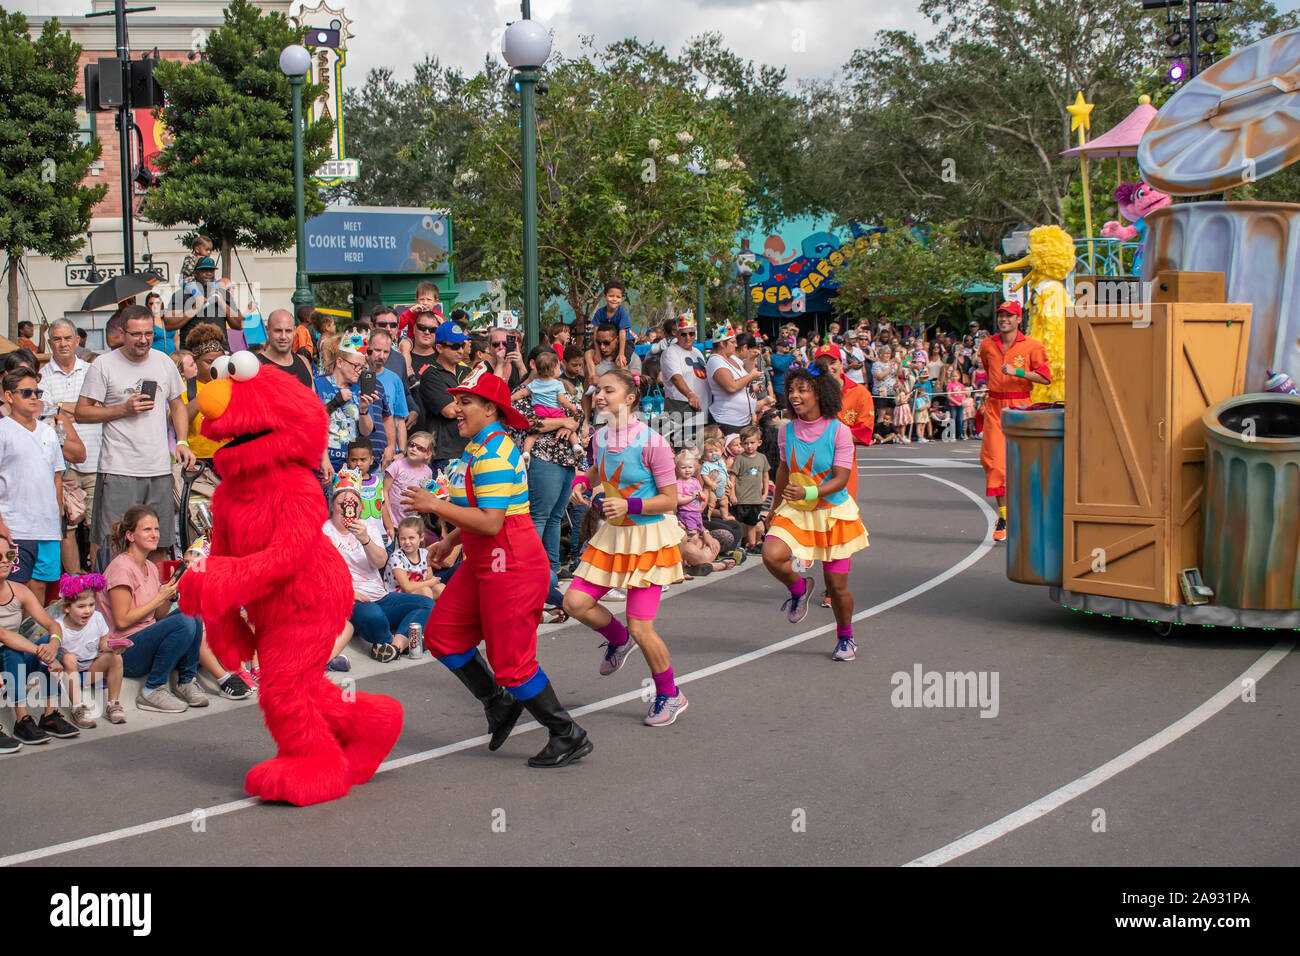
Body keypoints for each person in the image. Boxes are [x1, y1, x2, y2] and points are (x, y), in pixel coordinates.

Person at [401, 368, 593, 766]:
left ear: (490, 409)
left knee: (512, 664)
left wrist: (435, 506)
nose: (456, 409)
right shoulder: (480, 446)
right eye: (457, 400)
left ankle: (566, 734)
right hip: (487, 560)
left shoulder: (491, 452)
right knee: (442, 635)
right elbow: (490, 512)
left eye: (465, 402)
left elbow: (491, 521)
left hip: (512, 565)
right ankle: (499, 703)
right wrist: (453, 540)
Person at [563, 368, 688, 726]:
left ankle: (670, 694)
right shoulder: (599, 438)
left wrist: (630, 506)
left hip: (649, 540)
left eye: (609, 390)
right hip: (614, 537)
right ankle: (618, 641)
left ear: (630, 398)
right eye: (597, 390)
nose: (600, 396)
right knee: (575, 602)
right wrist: (581, 481)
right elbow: (599, 473)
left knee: (641, 626)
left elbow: (670, 500)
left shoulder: (653, 443)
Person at [761, 368, 869, 661]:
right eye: (791, 390)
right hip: (795, 510)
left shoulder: (839, 431)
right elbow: (784, 470)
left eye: (802, 390)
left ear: (819, 393)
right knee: (771, 554)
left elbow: (841, 478)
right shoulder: (786, 430)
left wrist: (809, 493)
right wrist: (772, 509)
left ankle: (846, 637)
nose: (794, 396)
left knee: (836, 586)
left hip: (833, 513)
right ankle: (799, 589)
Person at [76, 306, 194, 558]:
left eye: (149, 333)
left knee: (159, 543)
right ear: (122, 332)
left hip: (159, 468)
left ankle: (158, 596)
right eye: (136, 334)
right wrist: (122, 409)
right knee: (112, 543)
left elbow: (178, 404)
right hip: (119, 468)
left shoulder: (163, 361)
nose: (143, 340)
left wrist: (182, 441)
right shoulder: (103, 365)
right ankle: (110, 596)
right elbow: (82, 412)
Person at [99, 506, 206, 713]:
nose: (154, 534)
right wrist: (160, 597)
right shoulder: (121, 568)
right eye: (147, 529)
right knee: (183, 621)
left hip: (145, 639)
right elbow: (122, 620)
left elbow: (158, 615)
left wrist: (171, 594)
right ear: (130, 535)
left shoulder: (149, 566)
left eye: (156, 529)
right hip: (124, 650)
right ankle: (152, 689)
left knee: (192, 611)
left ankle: (186, 681)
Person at [322, 471, 428, 662]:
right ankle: (385, 641)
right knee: (373, 616)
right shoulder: (324, 531)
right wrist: (346, 592)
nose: (348, 509)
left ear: (360, 506)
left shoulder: (368, 527)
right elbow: (317, 574)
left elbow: (380, 562)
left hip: (380, 595)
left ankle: (395, 646)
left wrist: (365, 540)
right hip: (349, 599)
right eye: (342, 504)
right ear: (332, 505)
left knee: (426, 603)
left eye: (353, 504)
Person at [0, 368, 76, 606]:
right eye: (26, 392)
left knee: (40, 587)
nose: (34, 397)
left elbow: (56, 478)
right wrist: (1, 526)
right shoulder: (2, 430)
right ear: (9, 396)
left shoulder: (49, 432)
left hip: (47, 528)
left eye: (37, 392)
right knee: (13, 588)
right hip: (16, 527)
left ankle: (34, 639)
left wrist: (57, 513)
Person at [0, 531, 83, 747]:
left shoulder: (19, 591)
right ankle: (21, 719)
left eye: (8, 556)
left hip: (16, 656)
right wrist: (43, 653)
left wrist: (53, 644)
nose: (4, 561)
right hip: (7, 654)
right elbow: (4, 635)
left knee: (45, 641)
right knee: (12, 650)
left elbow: (52, 624)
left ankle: (49, 714)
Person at [979, 301, 1050, 541]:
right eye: (1001, 315)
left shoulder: (1033, 346)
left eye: (1010, 316)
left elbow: (1044, 377)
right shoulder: (988, 344)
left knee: (1024, 465)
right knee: (995, 462)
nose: (1004, 319)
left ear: (1019, 319)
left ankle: (1030, 514)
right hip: (994, 407)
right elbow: (988, 370)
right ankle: (1004, 517)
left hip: (1021, 406)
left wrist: (1018, 372)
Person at [40, 318, 100, 572]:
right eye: (57, 339)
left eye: (67, 338)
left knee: (96, 525)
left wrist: (61, 407)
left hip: (97, 457)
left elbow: (99, 407)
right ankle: (75, 581)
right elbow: (44, 412)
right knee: (67, 526)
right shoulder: (41, 377)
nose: (63, 344)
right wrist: (80, 408)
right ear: (49, 342)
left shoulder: (92, 371)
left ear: (77, 341)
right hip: (61, 461)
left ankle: (99, 581)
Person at [53, 573, 126, 728]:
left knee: (115, 658)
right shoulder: (58, 626)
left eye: (91, 605)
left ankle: (113, 704)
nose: (88, 611)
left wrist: (114, 647)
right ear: (67, 607)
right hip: (67, 675)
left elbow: (103, 645)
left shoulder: (97, 618)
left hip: (89, 671)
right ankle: (77, 708)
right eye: (81, 606)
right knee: (69, 658)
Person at [314, 339, 376, 485]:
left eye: (362, 367)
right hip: (324, 461)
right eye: (356, 366)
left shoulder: (358, 390)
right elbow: (312, 421)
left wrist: (364, 409)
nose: (359, 371)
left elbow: (366, 432)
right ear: (340, 362)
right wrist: (336, 402)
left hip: (351, 464)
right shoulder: (318, 384)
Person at [417, 319, 472, 473]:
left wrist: (457, 400)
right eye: (455, 346)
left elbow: (482, 405)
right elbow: (450, 411)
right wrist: (470, 401)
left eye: (462, 345)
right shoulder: (431, 374)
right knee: (447, 497)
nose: (461, 350)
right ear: (439, 347)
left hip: (472, 450)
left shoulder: (467, 372)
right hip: (446, 454)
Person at [514, 349, 580, 464]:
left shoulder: (534, 384)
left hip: (540, 412)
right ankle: (576, 446)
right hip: (556, 413)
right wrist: (570, 410)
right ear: (554, 368)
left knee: (532, 436)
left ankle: (526, 453)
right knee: (571, 432)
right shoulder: (558, 384)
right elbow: (563, 401)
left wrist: (509, 398)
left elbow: (522, 393)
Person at [165, 256, 243, 349]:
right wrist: (194, 309)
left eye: (211, 270)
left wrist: (222, 303)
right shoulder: (182, 294)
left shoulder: (223, 294)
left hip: (220, 352)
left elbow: (239, 324)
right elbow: (169, 325)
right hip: (193, 353)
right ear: (195, 273)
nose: (208, 273)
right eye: (204, 270)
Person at [182, 324, 231, 469]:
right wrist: (205, 394)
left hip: (229, 454)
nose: (214, 366)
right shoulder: (186, 387)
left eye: (218, 361)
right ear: (196, 360)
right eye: (208, 362)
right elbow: (176, 420)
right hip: (198, 458)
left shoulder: (231, 383)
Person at [658, 314, 710, 447]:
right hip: (682, 411)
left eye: (691, 333)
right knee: (685, 454)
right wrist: (690, 394)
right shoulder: (670, 352)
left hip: (701, 413)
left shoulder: (697, 352)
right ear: (676, 333)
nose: (688, 337)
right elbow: (676, 377)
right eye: (684, 334)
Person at [707, 323, 764, 435]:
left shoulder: (730, 358)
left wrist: (751, 358)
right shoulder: (715, 361)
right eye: (733, 342)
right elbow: (731, 386)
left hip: (742, 422)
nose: (736, 345)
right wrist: (751, 376)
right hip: (728, 422)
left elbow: (744, 374)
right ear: (723, 343)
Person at [366, 326, 410, 468]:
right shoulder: (355, 376)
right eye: (378, 350)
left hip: (387, 454)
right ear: (368, 348)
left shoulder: (394, 379)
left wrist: (401, 452)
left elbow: (399, 419)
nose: (382, 356)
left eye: (386, 352)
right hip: (360, 452)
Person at [730, 424, 770, 553]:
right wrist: (732, 494)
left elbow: (765, 475)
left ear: (759, 443)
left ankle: (752, 545)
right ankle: (737, 546)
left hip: (756, 498)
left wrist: (765, 493)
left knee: (752, 523)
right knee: (739, 523)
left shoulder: (762, 458)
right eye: (746, 443)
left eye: (752, 443)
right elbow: (733, 477)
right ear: (742, 444)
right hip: (741, 498)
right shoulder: (740, 459)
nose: (749, 446)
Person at [344, 440, 392, 548]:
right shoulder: (345, 483)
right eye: (353, 460)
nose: (358, 464)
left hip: (377, 532)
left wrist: (389, 526)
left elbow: (382, 505)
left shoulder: (377, 481)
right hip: (355, 533)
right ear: (348, 460)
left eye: (363, 460)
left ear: (371, 460)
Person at [384, 430, 434, 532]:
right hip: (392, 521)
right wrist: (388, 518)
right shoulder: (397, 465)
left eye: (420, 448)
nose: (414, 449)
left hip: (412, 523)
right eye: (412, 445)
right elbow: (384, 490)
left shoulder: (428, 472)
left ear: (428, 454)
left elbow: (425, 496)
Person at [384, 515, 444, 600]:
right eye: (403, 539)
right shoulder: (396, 557)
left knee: (440, 588)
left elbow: (428, 578)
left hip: (418, 590)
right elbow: (406, 587)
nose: (407, 542)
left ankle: (439, 612)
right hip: (396, 595)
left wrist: (431, 582)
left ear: (421, 537)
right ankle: (427, 611)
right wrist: (430, 582)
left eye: (411, 538)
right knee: (425, 591)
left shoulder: (425, 554)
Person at [257, 308, 315, 388]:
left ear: (294, 331)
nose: (283, 336)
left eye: (288, 331)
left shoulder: (304, 361)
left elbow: (313, 398)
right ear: (267, 330)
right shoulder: (256, 365)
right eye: (278, 331)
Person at [590, 281, 632, 367]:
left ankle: (622, 377)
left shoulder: (622, 313)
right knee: (588, 353)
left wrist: (621, 354)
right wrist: (597, 352)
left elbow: (622, 332)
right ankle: (592, 376)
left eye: (618, 297)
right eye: (611, 296)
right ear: (605, 297)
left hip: (624, 340)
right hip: (604, 340)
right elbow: (595, 332)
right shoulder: (600, 312)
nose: (614, 299)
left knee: (622, 361)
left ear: (622, 299)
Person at [486, 326, 528, 391]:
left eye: (505, 343)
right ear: (489, 348)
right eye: (496, 344)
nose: (501, 347)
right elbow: (494, 392)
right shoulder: (482, 368)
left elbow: (528, 389)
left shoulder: (516, 365)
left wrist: (521, 365)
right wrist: (500, 365)